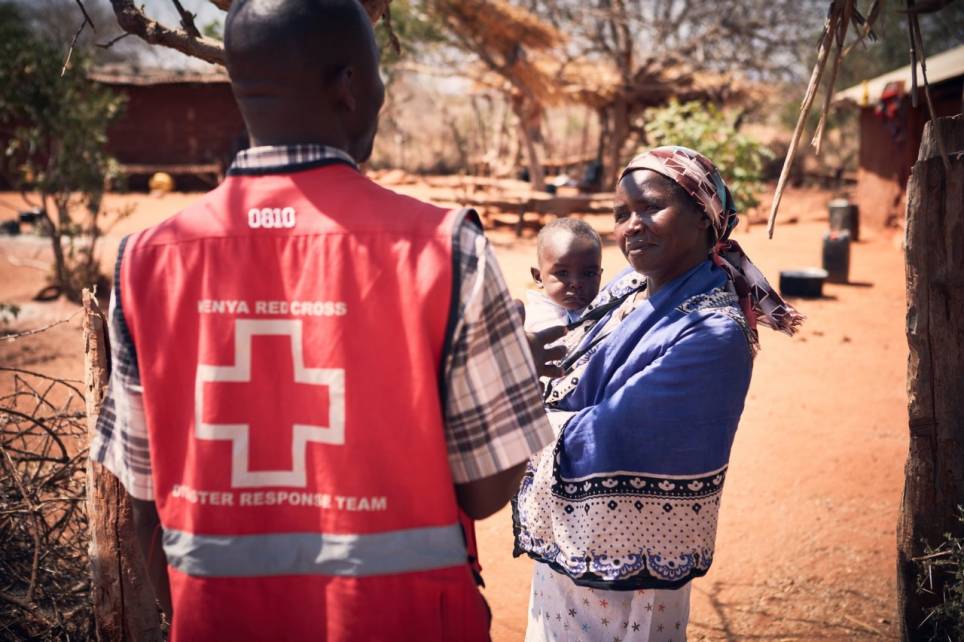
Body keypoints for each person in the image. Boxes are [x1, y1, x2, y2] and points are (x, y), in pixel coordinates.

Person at [90, 1, 554, 640]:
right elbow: (484, 491)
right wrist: (520, 374)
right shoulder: (445, 247)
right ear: (350, 88)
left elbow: (143, 502)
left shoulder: (142, 263)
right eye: (379, 79)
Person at [513, 146, 803, 641]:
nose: (631, 226)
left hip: (633, 568)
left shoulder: (713, 332)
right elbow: (569, 362)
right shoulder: (633, 285)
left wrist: (515, 403)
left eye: (650, 207)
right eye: (621, 214)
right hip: (575, 545)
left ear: (703, 214)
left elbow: (608, 439)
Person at [524, 218, 603, 334]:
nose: (576, 283)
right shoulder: (531, 319)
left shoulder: (606, 312)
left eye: (589, 273)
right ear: (538, 277)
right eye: (562, 273)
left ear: (599, 276)